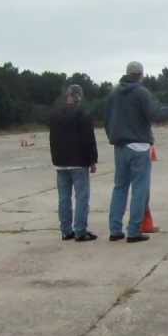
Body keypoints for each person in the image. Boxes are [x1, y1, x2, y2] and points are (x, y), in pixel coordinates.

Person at [103, 61, 168, 242]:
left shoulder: (113, 94)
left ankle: (115, 230)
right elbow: (157, 114)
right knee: (140, 189)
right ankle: (134, 230)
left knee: (120, 187)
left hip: (120, 146)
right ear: (141, 75)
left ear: (127, 73)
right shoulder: (141, 92)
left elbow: (107, 120)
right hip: (139, 147)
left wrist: (113, 137)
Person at [48, 84, 99, 242]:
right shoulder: (83, 114)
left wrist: (55, 158)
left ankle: (65, 231)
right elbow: (88, 139)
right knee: (81, 197)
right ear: (78, 96)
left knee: (64, 198)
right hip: (78, 162)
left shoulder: (55, 114)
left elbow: (52, 139)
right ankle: (80, 231)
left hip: (60, 163)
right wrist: (92, 160)